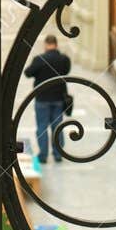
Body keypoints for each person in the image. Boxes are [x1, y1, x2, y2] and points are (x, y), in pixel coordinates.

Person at [25, 33, 71, 175]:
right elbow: (66, 71)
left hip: (42, 98)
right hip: (58, 97)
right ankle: (58, 154)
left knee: (42, 127)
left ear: (46, 44)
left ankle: (43, 155)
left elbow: (27, 73)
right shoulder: (64, 59)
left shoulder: (39, 59)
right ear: (56, 44)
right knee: (58, 126)